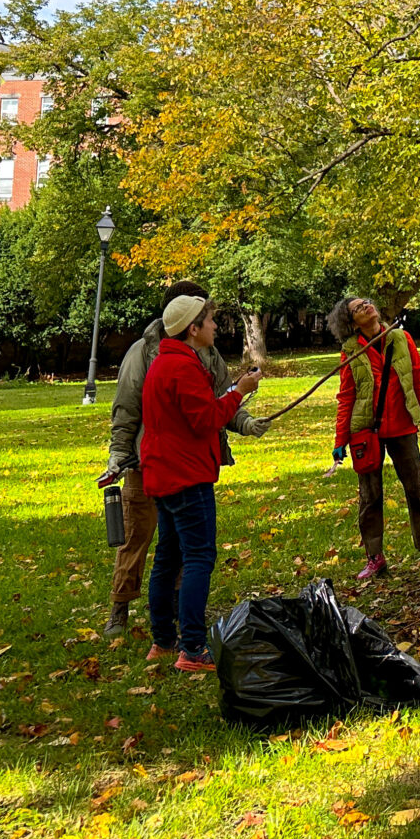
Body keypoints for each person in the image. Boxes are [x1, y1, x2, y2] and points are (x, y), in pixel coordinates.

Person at [99, 280, 270, 638]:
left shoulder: (203, 354)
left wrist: (247, 421)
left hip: (178, 464)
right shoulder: (147, 354)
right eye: (206, 315)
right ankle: (123, 608)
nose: (213, 324)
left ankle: (174, 620)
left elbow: (219, 399)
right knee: (142, 539)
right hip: (149, 465)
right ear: (187, 321)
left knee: (173, 550)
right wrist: (118, 456)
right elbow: (127, 410)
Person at [140, 294, 261, 672]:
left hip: (164, 474)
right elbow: (205, 420)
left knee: (168, 556)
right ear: (193, 329)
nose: (213, 326)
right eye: (209, 321)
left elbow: (195, 413)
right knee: (198, 557)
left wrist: (234, 392)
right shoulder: (180, 368)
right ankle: (191, 648)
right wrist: (240, 392)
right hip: (185, 477)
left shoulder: (167, 363)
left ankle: (162, 640)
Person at [326, 297, 420, 578]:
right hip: (365, 430)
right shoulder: (351, 351)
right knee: (370, 496)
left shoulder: (401, 338)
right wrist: (339, 440)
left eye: (366, 303)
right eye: (358, 308)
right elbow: (346, 396)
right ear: (350, 322)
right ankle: (375, 557)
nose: (366, 307)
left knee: (418, 488)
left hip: (403, 426)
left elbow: (419, 379)